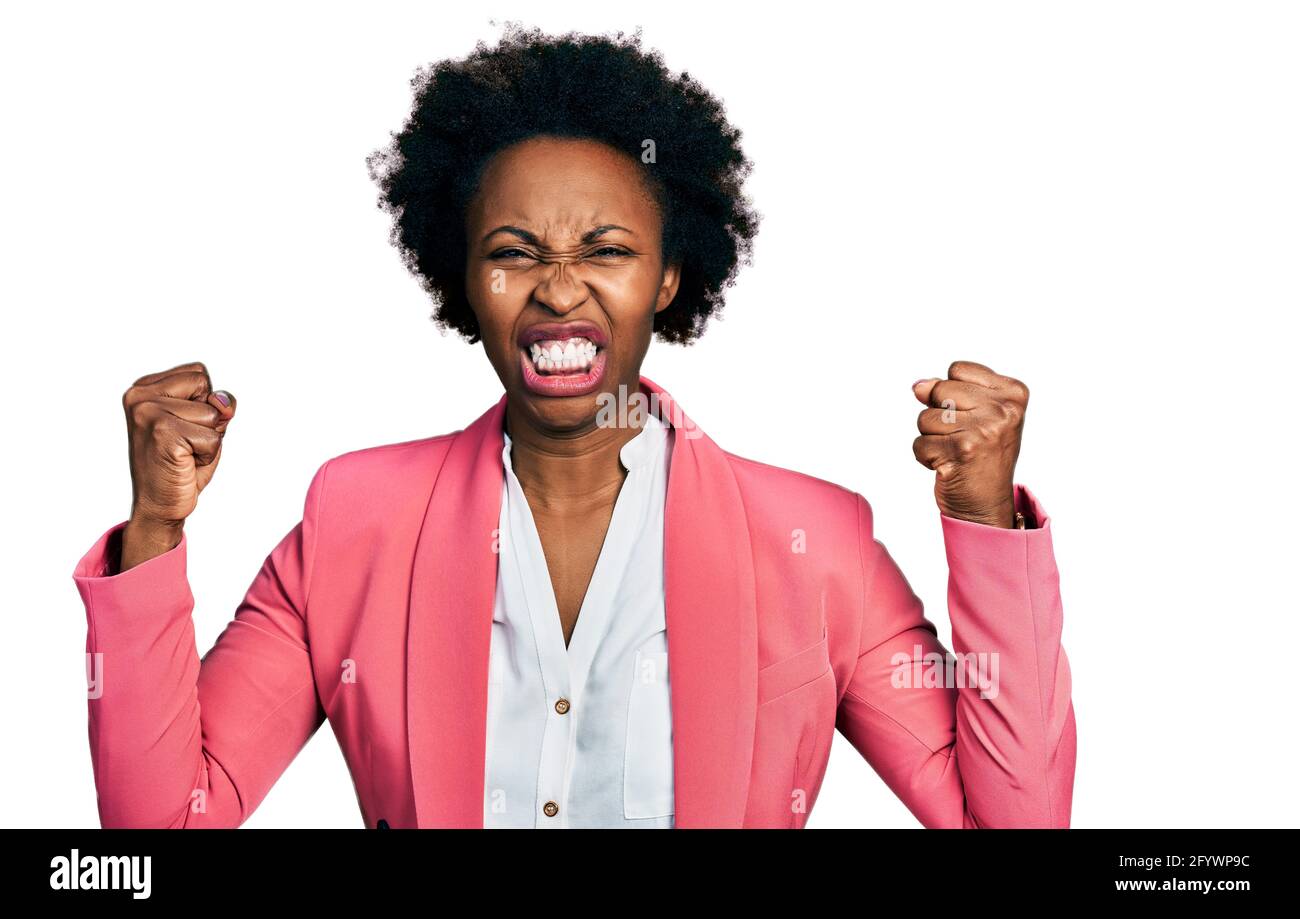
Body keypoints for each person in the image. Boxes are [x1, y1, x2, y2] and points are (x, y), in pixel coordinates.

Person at [72, 26, 1075, 828]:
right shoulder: (355, 523)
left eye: (606, 248)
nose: (559, 289)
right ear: (462, 280)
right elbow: (162, 821)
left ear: (669, 275)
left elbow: (1015, 824)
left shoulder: (813, 542)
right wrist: (155, 527)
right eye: (513, 252)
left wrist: (982, 515)